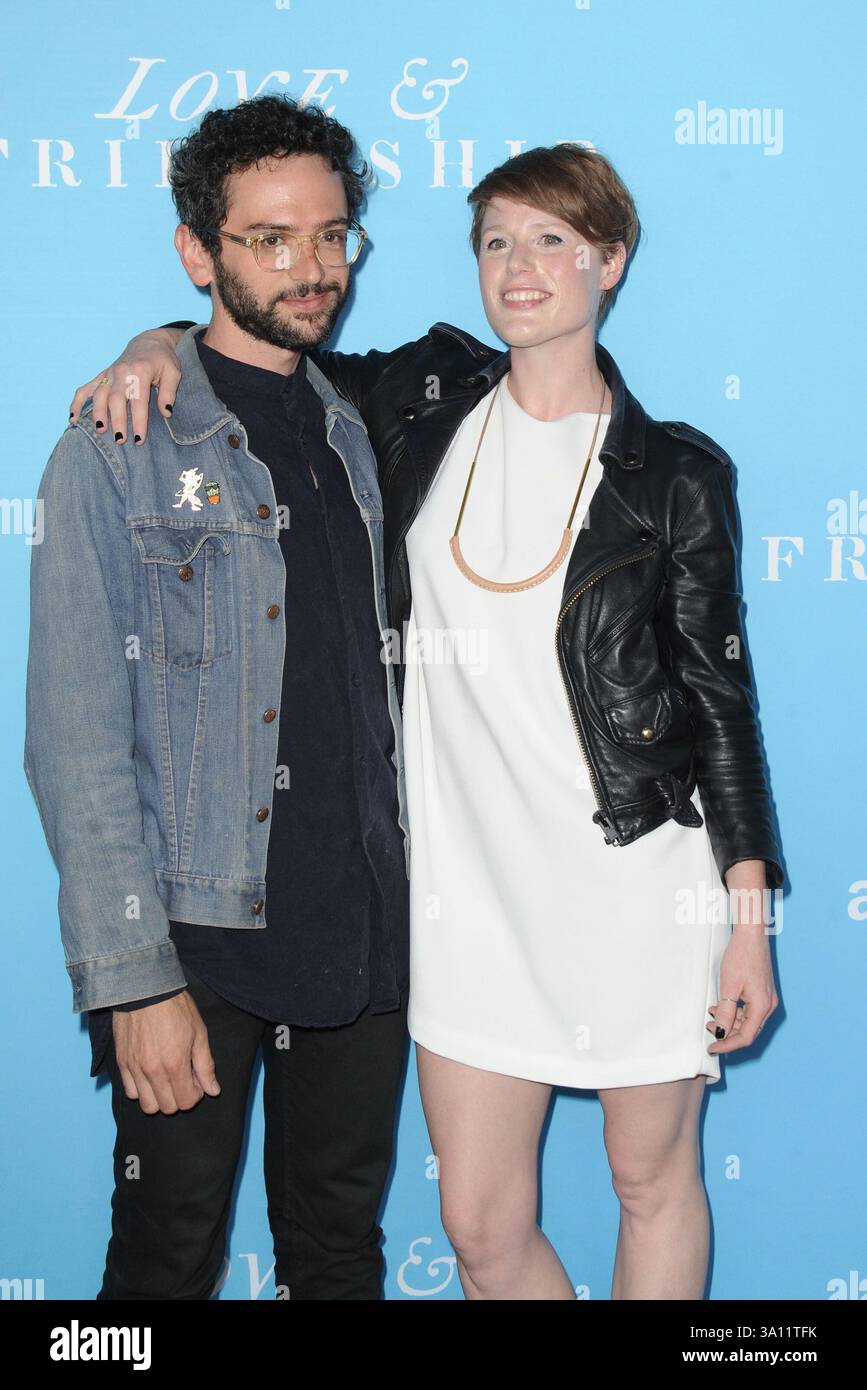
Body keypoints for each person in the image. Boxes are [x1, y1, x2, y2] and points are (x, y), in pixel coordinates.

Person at [69, 141, 784, 1300]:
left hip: (639, 886)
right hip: (463, 908)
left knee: (651, 1185)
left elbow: (722, 705)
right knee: (479, 1224)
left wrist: (746, 917)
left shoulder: (675, 474)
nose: (521, 265)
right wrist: (151, 345)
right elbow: (251, 339)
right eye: (497, 239)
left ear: (611, 259)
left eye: (554, 239)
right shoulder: (416, 402)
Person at [25, 94, 412, 1300]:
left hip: (361, 936)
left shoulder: (369, 422)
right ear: (198, 251)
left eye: (333, 234)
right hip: (194, 942)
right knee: (160, 1264)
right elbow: (76, 737)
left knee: (338, 1258)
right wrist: (134, 976)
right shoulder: (116, 443)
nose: (312, 269)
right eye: (270, 238)